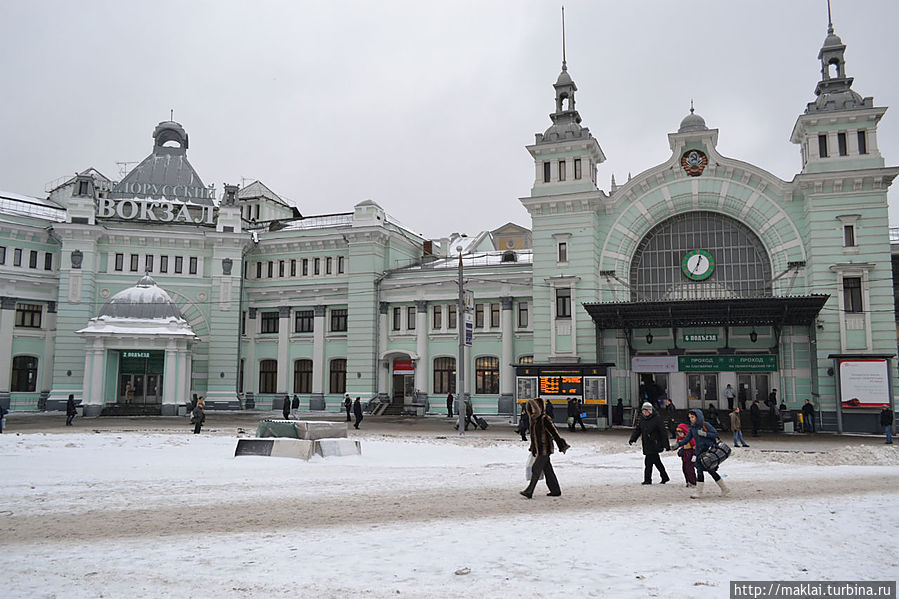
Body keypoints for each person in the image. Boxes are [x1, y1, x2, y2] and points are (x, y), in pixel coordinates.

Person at [520, 397, 570, 499]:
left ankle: (529, 491)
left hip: (545, 449)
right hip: (539, 450)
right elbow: (534, 437)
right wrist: (533, 448)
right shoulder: (534, 419)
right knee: (548, 470)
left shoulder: (544, 419)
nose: (533, 409)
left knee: (536, 468)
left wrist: (561, 444)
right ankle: (555, 490)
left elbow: (554, 432)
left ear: (540, 407)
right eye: (532, 407)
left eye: (535, 407)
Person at [673, 408, 729, 498]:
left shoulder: (705, 425)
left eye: (692, 417)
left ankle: (721, 489)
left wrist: (705, 434)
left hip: (708, 452)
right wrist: (678, 444)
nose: (691, 419)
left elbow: (715, 434)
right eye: (690, 417)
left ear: (698, 417)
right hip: (699, 453)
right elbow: (687, 439)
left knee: (710, 471)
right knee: (701, 470)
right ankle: (718, 489)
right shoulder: (692, 428)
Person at [628, 402, 671, 485]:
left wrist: (666, 445)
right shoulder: (642, 419)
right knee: (656, 462)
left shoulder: (657, 419)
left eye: (646, 411)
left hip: (655, 444)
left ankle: (648, 479)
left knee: (649, 462)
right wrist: (633, 439)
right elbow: (638, 430)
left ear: (650, 411)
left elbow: (663, 432)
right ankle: (664, 477)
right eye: (643, 411)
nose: (644, 413)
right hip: (647, 443)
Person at [675, 423, 697, 488]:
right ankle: (688, 481)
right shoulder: (679, 438)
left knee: (690, 469)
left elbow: (695, 447)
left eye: (680, 432)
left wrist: (694, 455)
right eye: (678, 432)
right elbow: (679, 445)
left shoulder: (690, 438)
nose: (679, 433)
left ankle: (693, 481)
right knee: (684, 468)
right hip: (684, 455)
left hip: (690, 454)